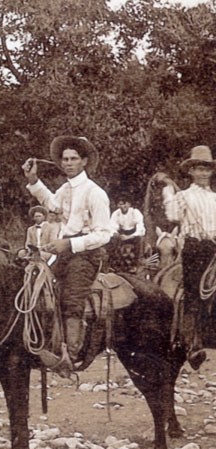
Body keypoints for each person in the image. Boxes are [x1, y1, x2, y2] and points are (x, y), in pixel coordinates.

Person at [22, 136, 112, 375]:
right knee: (37, 288)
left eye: (74, 159)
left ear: (84, 161)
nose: (69, 163)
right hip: (64, 253)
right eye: (65, 159)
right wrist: (33, 181)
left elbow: (104, 234)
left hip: (87, 254)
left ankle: (70, 356)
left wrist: (70, 244)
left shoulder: (95, 193)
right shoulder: (65, 189)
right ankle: (44, 343)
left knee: (72, 299)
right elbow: (52, 204)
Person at [157, 145, 216, 370]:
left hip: (214, 248)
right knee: (194, 291)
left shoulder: (215, 198)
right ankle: (192, 342)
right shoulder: (183, 196)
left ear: (211, 172)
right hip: (196, 248)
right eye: (198, 169)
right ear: (190, 171)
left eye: (206, 170)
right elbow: (172, 215)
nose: (203, 173)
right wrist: (168, 189)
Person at [109, 196, 146, 273]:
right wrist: (117, 234)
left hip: (134, 235)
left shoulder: (135, 212)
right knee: (113, 239)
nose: (124, 206)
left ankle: (137, 264)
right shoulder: (116, 214)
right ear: (118, 205)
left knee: (140, 239)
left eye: (126, 204)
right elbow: (112, 227)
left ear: (129, 204)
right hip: (122, 235)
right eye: (121, 204)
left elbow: (140, 228)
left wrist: (129, 236)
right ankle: (115, 264)